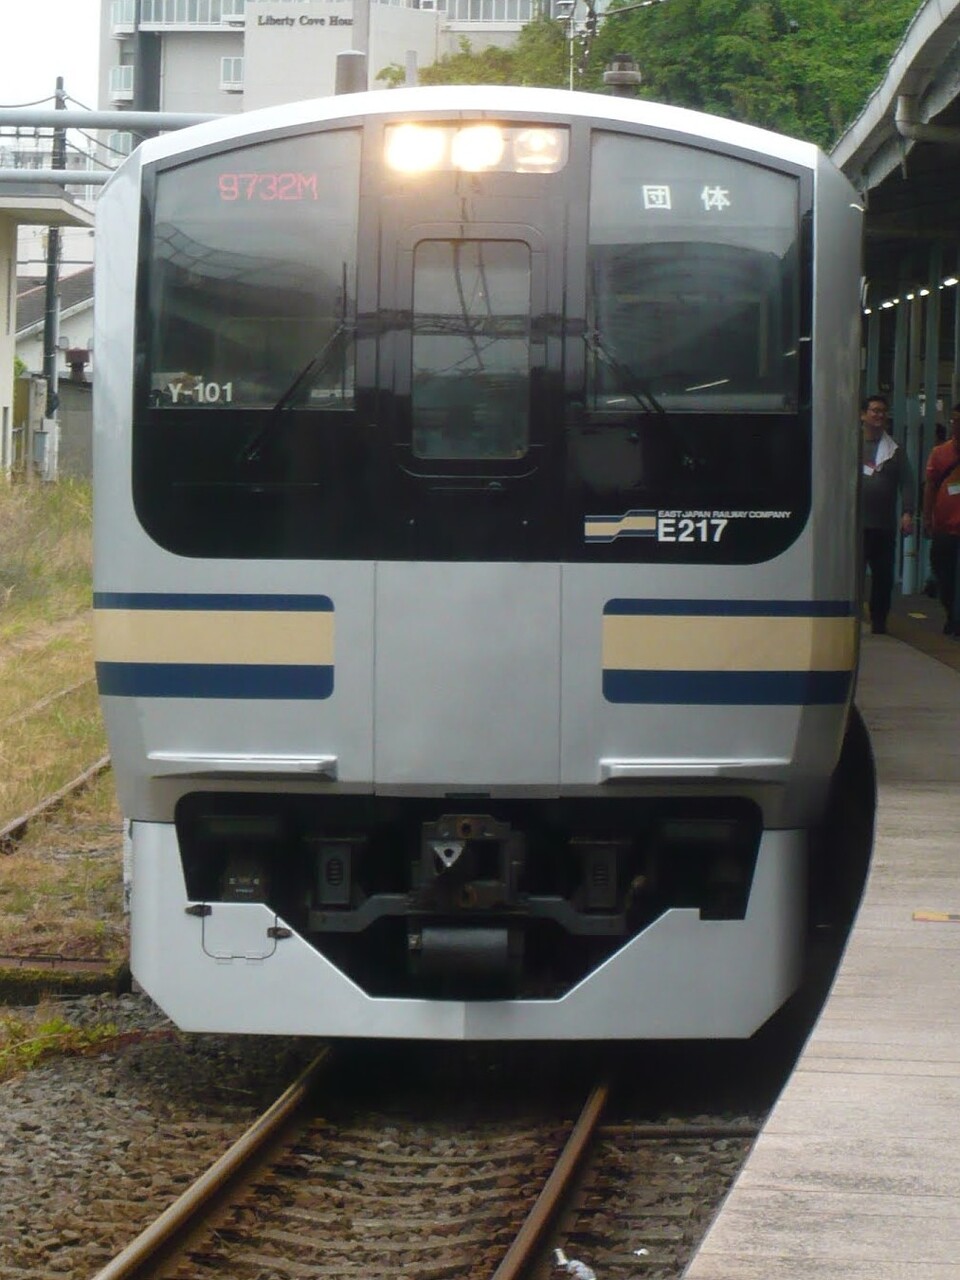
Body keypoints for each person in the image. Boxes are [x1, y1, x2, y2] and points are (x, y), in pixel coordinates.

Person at [860, 394, 914, 635]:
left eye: (882, 411)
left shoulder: (895, 451)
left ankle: (879, 620)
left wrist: (907, 512)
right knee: (853, 576)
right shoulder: (853, 445)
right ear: (863, 415)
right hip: (856, 526)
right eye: (874, 410)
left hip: (883, 525)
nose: (879, 415)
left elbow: (908, 482)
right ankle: (851, 616)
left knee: (883, 577)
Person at [922, 403, 960, 635]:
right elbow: (930, 487)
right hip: (944, 529)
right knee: (945, 577)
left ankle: (957, 623)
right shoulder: (940, 453)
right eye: (955, 421)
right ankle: (951, 612)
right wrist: (927, 519)